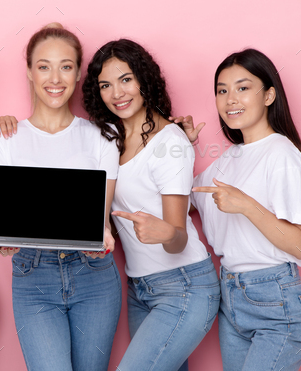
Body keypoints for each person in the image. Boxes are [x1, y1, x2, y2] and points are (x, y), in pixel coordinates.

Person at [0, 23, 121, 371]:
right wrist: (3, 241)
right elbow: (11, 218)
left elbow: (101, 219)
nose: (54, 77)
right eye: (43, 66)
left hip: (94, 273)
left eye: (66, 66)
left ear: (77, 74)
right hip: (33, 274)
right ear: (29, 71)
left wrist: (103, 234)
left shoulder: (103, 136)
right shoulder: (5, 137)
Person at [79, 38, 220, 371]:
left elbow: (179, 240)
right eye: (106, 85)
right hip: (139, 289)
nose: (117, 93)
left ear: (144, 79)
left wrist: (166, 231)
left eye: (126, 79)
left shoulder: (170, 142)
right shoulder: (110, 138)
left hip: (184, 286)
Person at [191, 48, 301, 371]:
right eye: (222, 90)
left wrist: (246, 205)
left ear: (269, 95)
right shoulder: (229, 158)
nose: (230, 99)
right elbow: (182, 197)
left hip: (275, 300)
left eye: (243, 88)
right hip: (231, 296)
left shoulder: (282, 154)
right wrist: (178, 147)